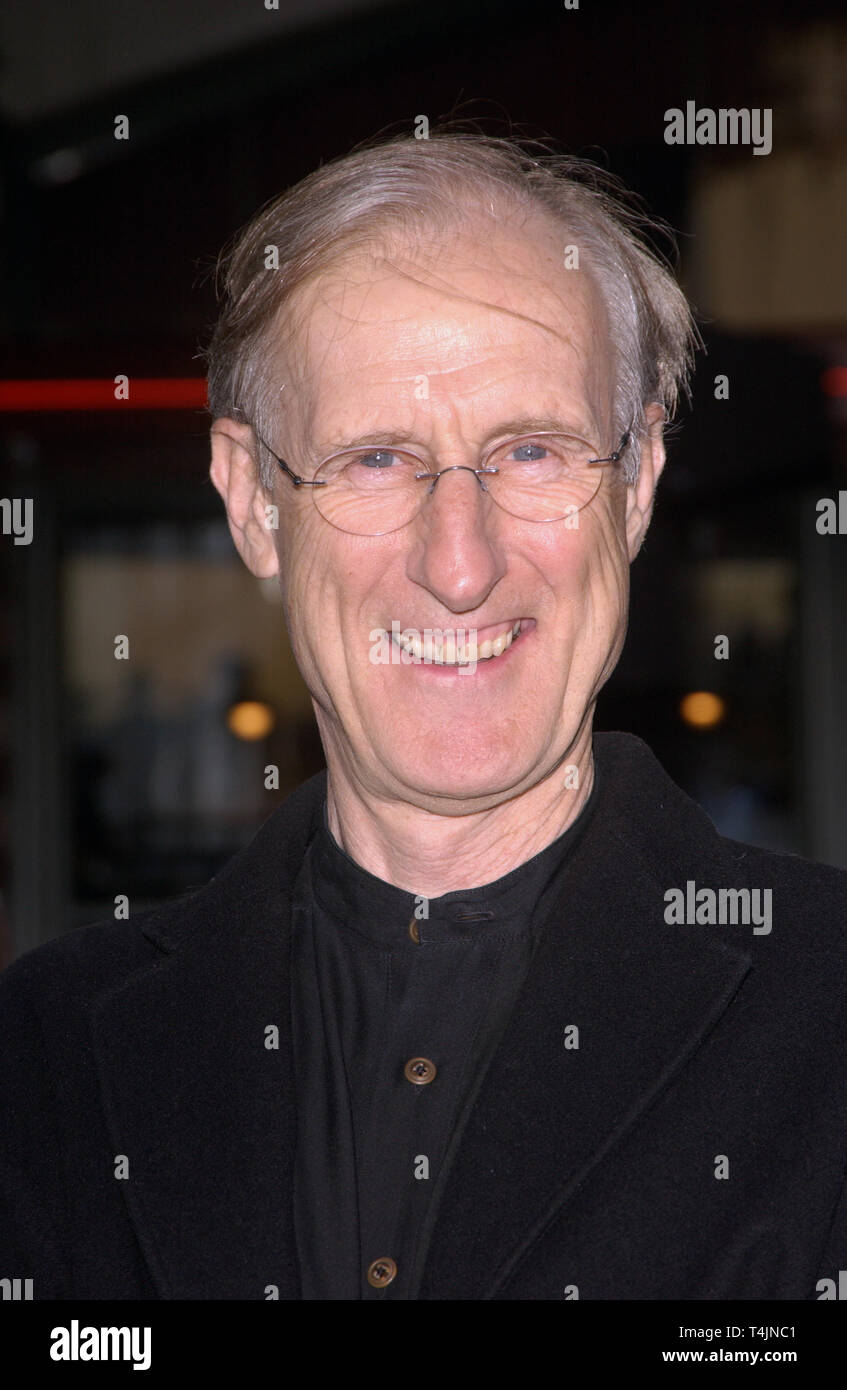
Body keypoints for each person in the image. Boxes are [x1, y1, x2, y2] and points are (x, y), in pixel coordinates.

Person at [2, 128, 845, 1301]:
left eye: (532, 451)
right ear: (252, 501)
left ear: (639, 478)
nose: (460, 566)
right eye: (378, 461)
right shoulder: (38, 1065)